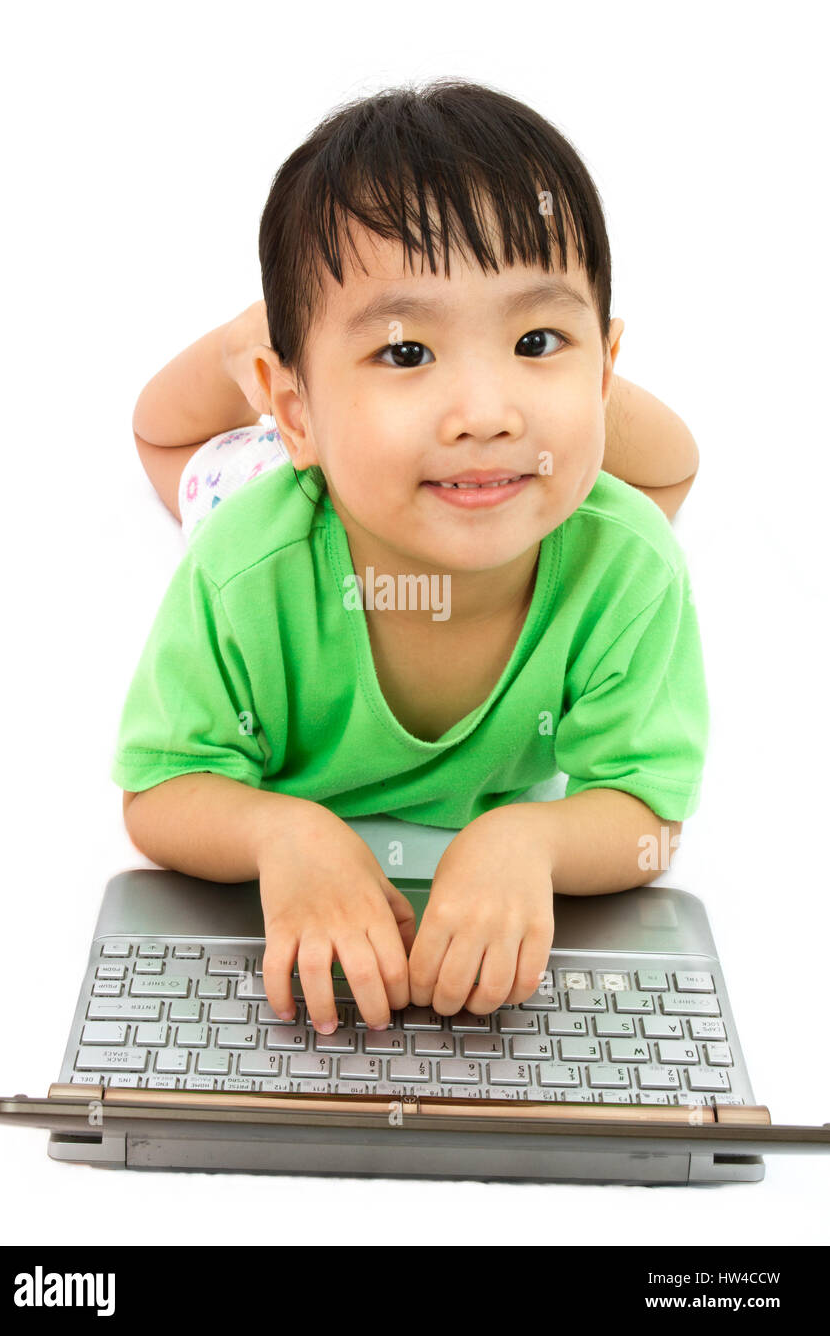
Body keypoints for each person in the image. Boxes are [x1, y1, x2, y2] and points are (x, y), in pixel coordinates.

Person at [113, 79, 708, 1039]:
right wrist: (284, 832)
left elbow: (647, 817)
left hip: (483, 466)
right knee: (164, 441)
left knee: (667, 472)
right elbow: (158, 792)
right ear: (296, 406)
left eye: (536, 336)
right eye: (402, 351)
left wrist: (532, 838)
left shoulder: (627, 567)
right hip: (289, 472)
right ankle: (249, 342)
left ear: (608, 367)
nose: (482, 409)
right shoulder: (245, 564)